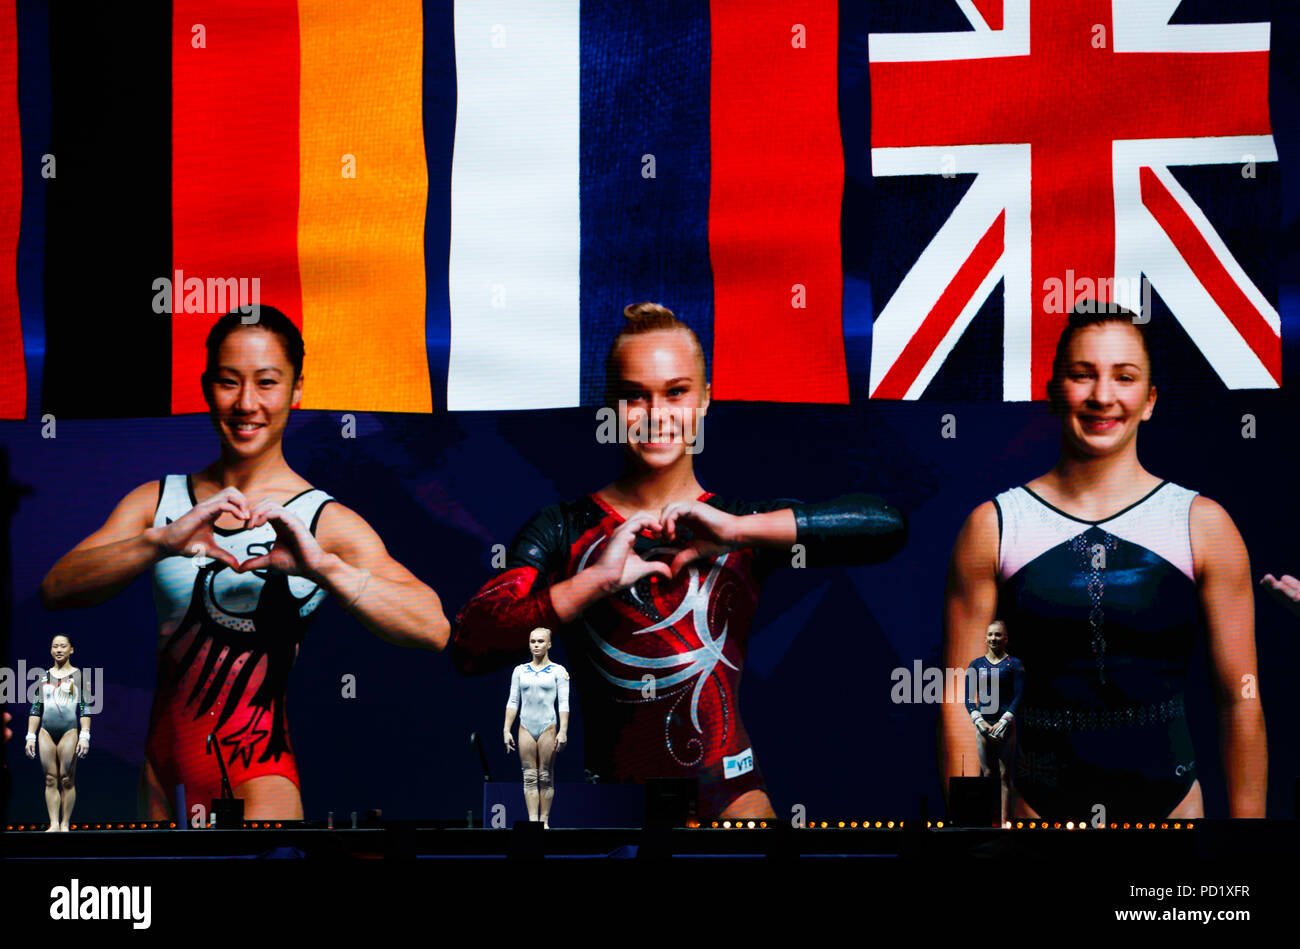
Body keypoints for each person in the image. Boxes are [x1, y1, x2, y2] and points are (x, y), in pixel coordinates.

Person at [454, 302, 907, 819]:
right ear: (611, 405)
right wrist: (595, 581)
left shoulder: (741, 524)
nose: (657, 414)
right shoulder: (562, 528)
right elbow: (470, 644)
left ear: (706, 399)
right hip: (614, 811)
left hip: (732, 801)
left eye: (676, 391)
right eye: (635, 396)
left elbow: (886, 527)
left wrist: (738, 531)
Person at [40, 307, 450, 820]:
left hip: (259, 779)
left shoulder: (322, 519)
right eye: (229, 382)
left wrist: (325, 567)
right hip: (159, 779)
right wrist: (159, 542)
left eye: (267, 382)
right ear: (207, 387)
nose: (247, 403)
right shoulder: (158, 502)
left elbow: (433, 627)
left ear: (297, 389)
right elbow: (56, 588)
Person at [943, 303, 1266, 821]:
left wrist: (1250, 841)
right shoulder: (995, 526)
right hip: (1037, 820)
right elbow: (961, 699)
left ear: (1150, 399)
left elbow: (1239, 699)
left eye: (1124, 377)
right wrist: (974, 832)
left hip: (1173, 815)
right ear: (1053, 392)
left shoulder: (1204, 525)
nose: (1102, 396)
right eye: (1082, 375)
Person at [503, 627, 569, 828]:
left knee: (546, 776)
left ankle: (545, 821)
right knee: (530, 776)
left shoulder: (559, 671)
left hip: (548, 727)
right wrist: (506, 729)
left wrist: (563, 730)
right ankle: (533, 822)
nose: (536, 645)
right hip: (525, 728)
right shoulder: (520, 671)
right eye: (533, 641)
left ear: (549, 644)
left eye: (540, 641)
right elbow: (513, 701)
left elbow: (564, 703)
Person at [24, 634, 91, 831]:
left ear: (71, 650)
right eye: (55, 646)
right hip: (45, 732)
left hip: (69, 731)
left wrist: (85, 735)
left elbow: (84, 707)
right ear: (51, 650)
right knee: (50, 778)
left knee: (67, 778)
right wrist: (30, 736)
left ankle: (65, 823)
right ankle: (54, 823)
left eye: (63, 646)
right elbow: (36, 708)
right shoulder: (43, 677)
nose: (59, 650)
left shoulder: (79, 676)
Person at [963, 620, 1024, 824]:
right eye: (990, 634)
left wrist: (1005, 721)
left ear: (1006, 638)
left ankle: (1005, 821)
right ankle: (988, 820)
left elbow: (1018, 696)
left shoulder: (1014, 664)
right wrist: (980, 722)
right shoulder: (976, 665)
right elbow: (969, 698)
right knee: (988, 773)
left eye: (998, 635)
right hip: (984, 725)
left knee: (1005, 775)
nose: (993, 638)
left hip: (1005, 725)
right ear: (985, 637)